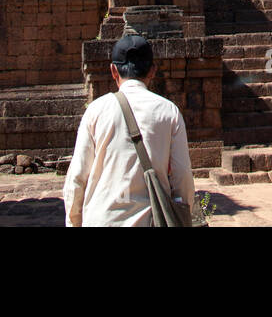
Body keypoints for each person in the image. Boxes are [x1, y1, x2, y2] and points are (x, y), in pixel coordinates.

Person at [64, 34, 195, 227]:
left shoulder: (96, 111)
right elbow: (182, 176)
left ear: (113, 71)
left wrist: (74, 222)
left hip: (101, 220)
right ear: (152, 71)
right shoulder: (168, 112)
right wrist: (182, 214)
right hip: (151, 220)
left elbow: (77, 177)